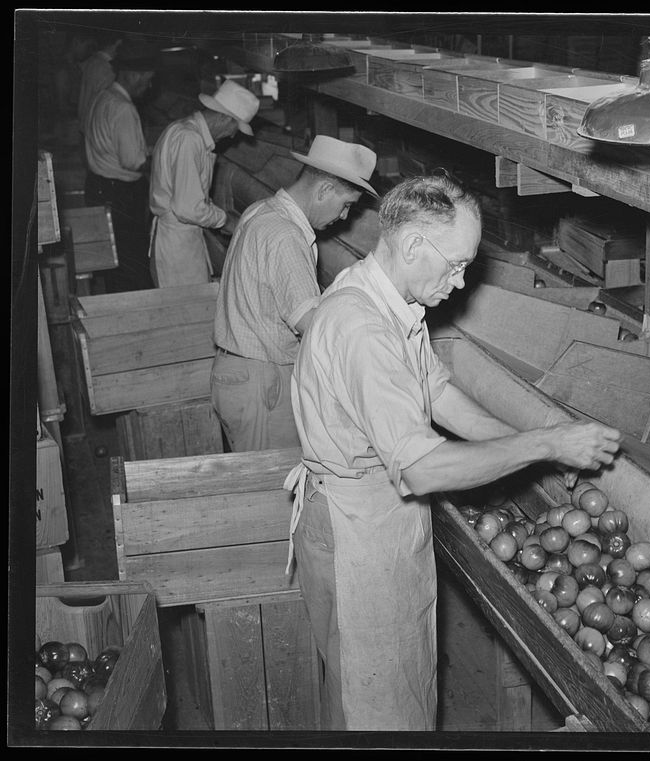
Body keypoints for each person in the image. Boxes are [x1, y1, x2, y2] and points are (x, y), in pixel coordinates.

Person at [284, 174, 623, 731]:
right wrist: (542, 442)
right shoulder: (361, 326)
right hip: (358, 531)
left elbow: (437, 393)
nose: (462, 282)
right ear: (414, 245)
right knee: (381, 708)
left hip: (375, 519)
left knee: (388, 687)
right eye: (457, 264)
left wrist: (539, 453)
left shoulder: (385, 298)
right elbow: (421, 469)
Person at [212, 135, 378, 452]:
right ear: (324, 190)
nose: (343, 217)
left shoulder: (262, 211)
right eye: (345, 206)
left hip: (240, 374)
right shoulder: (286, 235)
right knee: (271, 489)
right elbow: (312, 325)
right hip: (262, 383)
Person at [148, 79, 260, 287]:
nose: (233, 134)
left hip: (179, 239)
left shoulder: (183, 130)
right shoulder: (190, 140)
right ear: (226, 119)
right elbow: (187, 208)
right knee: (187, 310)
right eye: (236, 127)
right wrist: (225, 221)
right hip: (178, 247)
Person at [83, 51, 157, 293]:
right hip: (122, 195)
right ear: (134, 75)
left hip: (99, 186)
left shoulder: (103, 97)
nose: (148, 87)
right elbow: (133, 161)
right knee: (131, 262)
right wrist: (163, 164)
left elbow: (115, 147)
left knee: (115, 261)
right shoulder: (124, 108)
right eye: (147, 80)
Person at [78, 32, 122, 130]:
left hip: (86, 126)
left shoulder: (91, 62)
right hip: (96, 129)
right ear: (118, 43)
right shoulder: (107, 69)